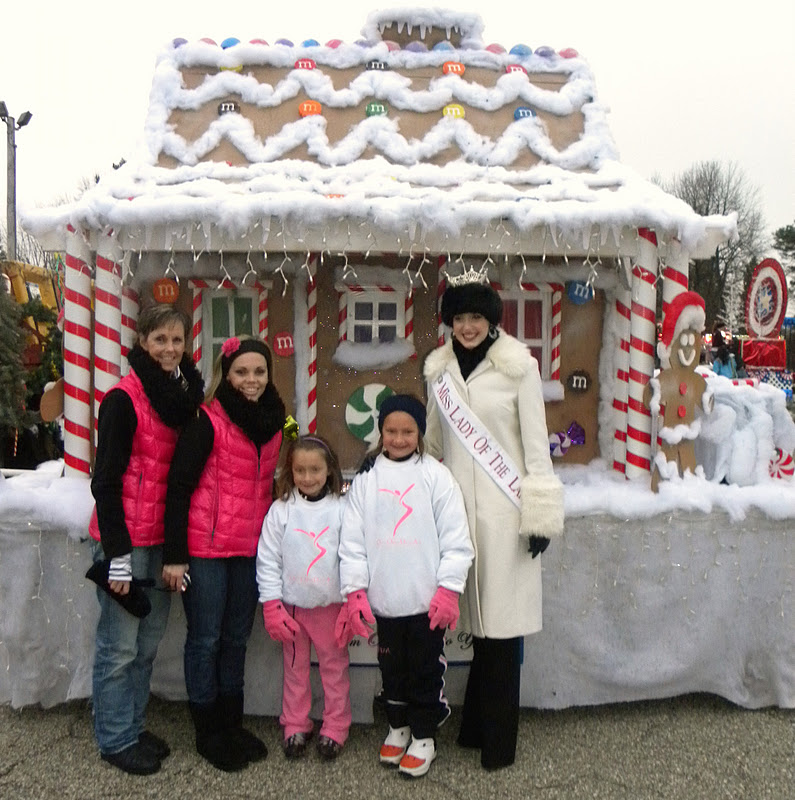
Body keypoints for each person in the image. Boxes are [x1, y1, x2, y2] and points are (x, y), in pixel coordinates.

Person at [423, 275, 564, 770]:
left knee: (502, 631)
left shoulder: (519, 369)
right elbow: (434, 446)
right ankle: (474, 730)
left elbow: (535, 445)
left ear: (490, 321)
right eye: (458, 318)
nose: (466, 327)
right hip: (458, 516)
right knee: (480, 626)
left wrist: (540, 513)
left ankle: (499, 745)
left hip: (507, 515)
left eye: (475, 318)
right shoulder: (438, 371)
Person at [88, 304, 204, 775]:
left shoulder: (179, 398)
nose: (170, 350)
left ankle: (132, 726)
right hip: (127, 543)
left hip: (160, 540)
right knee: (118, 648)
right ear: (141, 342)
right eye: (160, 340)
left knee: (148, 643)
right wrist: (116, 553)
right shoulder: (123, 399)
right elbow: (106, 481)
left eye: (177, 341)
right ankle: (114, 738)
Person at [163, 335, 285, 772]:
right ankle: (207, 730)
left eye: (259, 372)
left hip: (249, 550)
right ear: (226, 374)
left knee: (236, 639)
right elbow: (177, 488)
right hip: (207, 550)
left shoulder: (276, 421)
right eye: (241, 372)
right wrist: (175, 555)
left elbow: (300, 443)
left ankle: (231, 723)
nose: (250, 380)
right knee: (206, 639)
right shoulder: (206, 421)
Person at [337, 394, 474, 779]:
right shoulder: (367, 479)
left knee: (424, 669)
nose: (398, 438)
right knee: (391, 667)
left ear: (420, 433)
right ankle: (398, 725)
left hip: (425, 602)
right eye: (391, 431)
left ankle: (425, 734)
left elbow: (456, 538)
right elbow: (352, 540)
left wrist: (448, 588)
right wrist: (355, 591)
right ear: (380, 432)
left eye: (407, 431)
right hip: (385, 601)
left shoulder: (436, 477)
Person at [256, 435, 350, 761]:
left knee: (333, 669)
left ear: (329, 470)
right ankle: (296, 723)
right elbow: (268, 560)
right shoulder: (281, 512)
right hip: (293, 608)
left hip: (330, 607)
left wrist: (354, 600)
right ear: (290, 471)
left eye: (315, 470)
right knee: (295, 669)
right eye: (300, 470)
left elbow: (353, 556)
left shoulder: (341, 510)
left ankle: (336, 725)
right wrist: (271, 603)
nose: (307, 478)